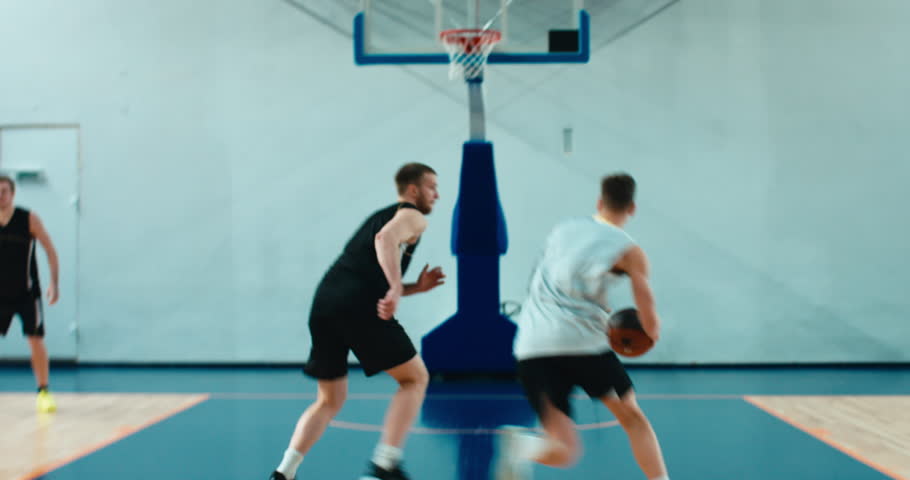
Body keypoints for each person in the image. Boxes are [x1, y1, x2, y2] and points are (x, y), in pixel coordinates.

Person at [268, 163, 445, 480]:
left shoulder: (381, 214)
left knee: (329, 400)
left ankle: (283, 473)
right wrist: (395, 288)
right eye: (432, 187)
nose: (437, 195)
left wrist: (413, 287)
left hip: (325, 303)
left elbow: (366, 274)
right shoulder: (413, 216)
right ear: (413, 189)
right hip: (358, 306)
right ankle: (384, 466)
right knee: (414, 378)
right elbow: (385, 239)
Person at [495, 173, 670, 480]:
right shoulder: (629, 251)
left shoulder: (562, 230)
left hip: (533, 346)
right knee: (633, 420)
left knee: (564, 450)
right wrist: (651, 333)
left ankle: (524, 447)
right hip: (584, 346)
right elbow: (646, 308)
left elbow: (543, 278)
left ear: (600, 202)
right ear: (632, 208)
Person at [0, 175, 59, 413]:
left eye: (4, 191)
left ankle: (43, 392)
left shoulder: (28, 219)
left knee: (35, 339)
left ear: (12, 194)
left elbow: (50, 250)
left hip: (26, 293)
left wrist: (54, 284)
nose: (0, 196)